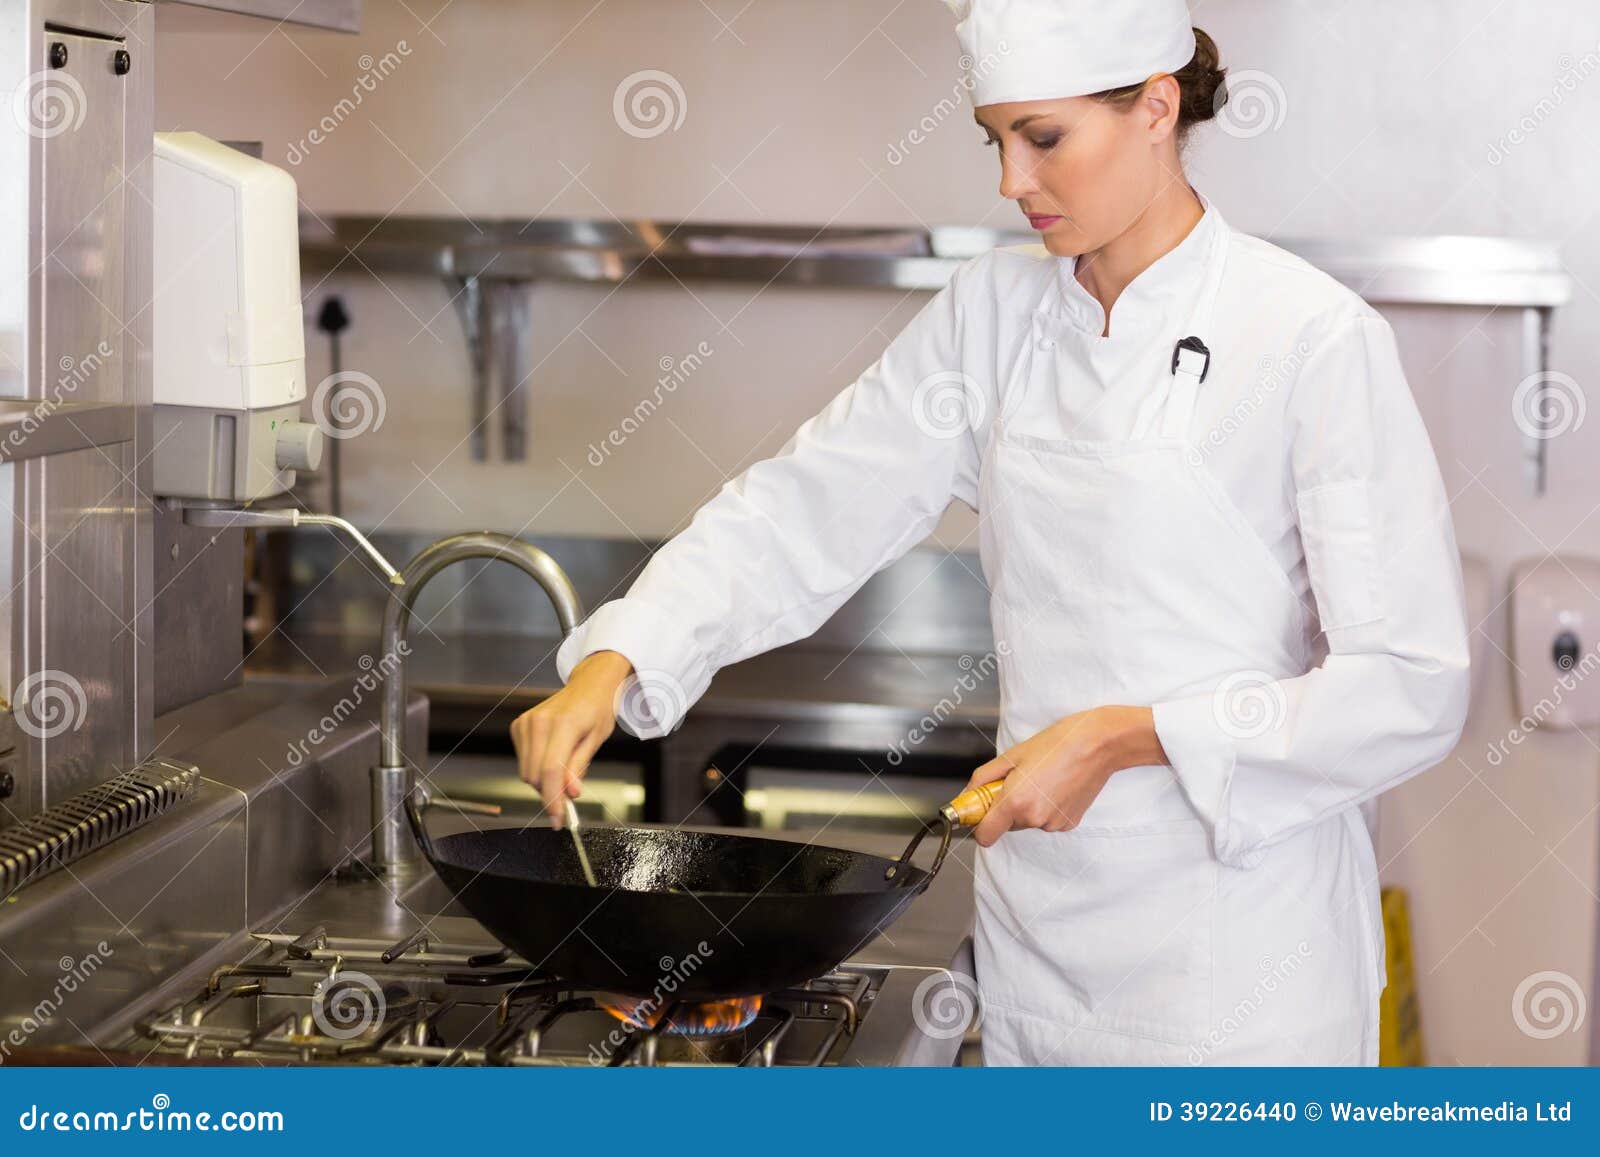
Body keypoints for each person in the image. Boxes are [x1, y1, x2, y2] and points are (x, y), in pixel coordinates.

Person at [510, 0, 1470, 1065]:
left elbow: (1409, 686)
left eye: (1043, 138)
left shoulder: (1309, 338)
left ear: (1157, 107)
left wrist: (1125, 734)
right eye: (994, 139)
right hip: (1039, 963)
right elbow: (811, 501)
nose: (1011, 181)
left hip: (1242, 984)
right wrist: (623, 648)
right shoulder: (995, 315)